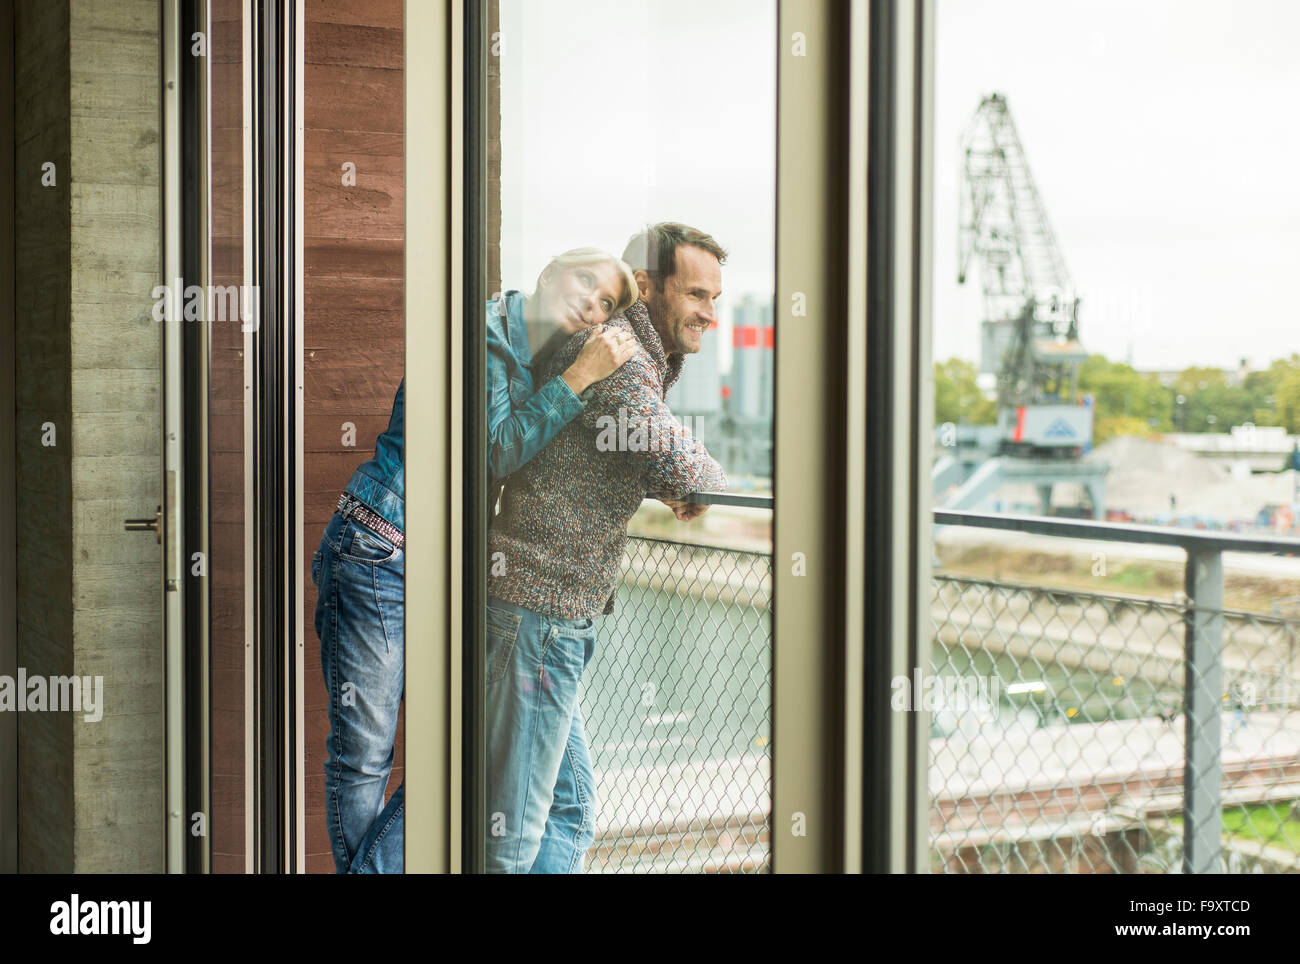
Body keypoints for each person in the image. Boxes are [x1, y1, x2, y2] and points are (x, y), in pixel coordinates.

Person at [312, 247, 639, 873]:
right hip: (380, 551)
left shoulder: (536, 356)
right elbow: (493, 451)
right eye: (586, 282)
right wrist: (580, 379)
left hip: (450, 575)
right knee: (365, 758)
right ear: (548, 273)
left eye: (606, 304)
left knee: (463, 745)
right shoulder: (478, 332)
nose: (593, 303)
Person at [485, 222, 729, 873]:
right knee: (511, 839)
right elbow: (690, 471)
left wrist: (663, 477)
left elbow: (626, 451)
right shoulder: (617, 356)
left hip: (547, 616)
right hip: (540, 617)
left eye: (717, 299)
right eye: (698, 294)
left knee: (567, 814)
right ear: (648, 287)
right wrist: (688, 482)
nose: (710, 313)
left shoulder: (635, 359)